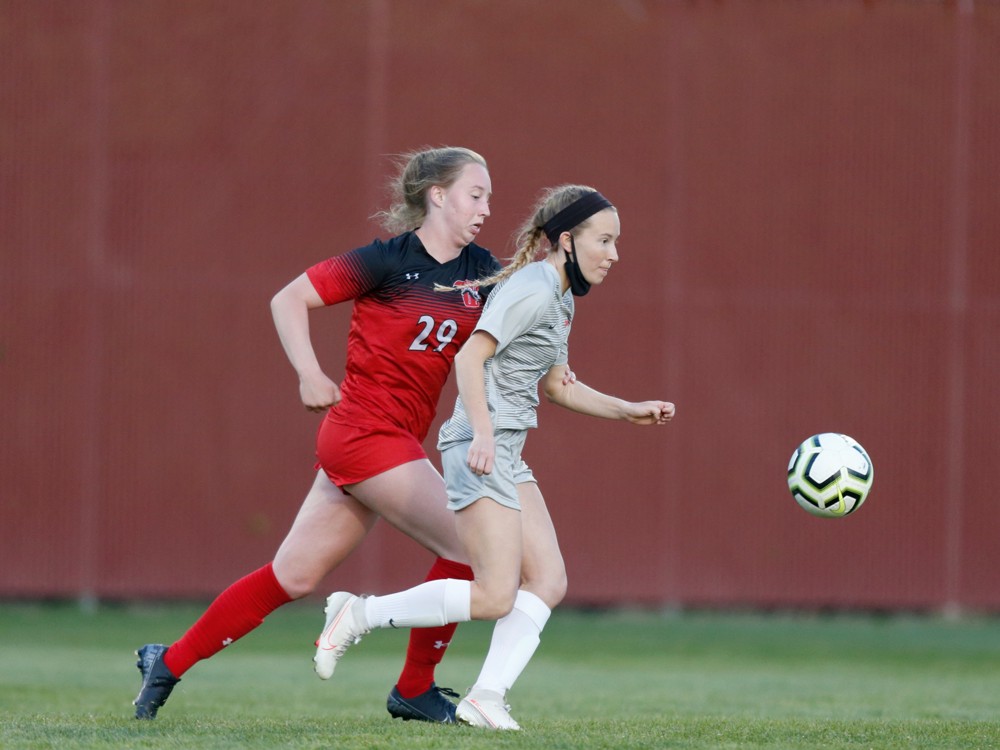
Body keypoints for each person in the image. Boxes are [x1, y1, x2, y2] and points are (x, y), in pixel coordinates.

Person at [133, 146, 508, 723]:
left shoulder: (482, 272)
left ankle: (168, 662)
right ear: (438, 195)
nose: (486, 207)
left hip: (386, 441)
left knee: (294, 576)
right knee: (469, 551)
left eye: (488, 197)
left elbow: (517, 326)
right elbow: (290, 298)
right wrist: (309, 372)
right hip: (365, 434)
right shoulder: (385, 262)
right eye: (475, 194)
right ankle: (413, 689)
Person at [312, 185, 676, 730]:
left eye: (615, 242)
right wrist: (481, 433)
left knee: (548, 580)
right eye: (604, 240)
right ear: (566, 241)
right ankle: (359, 613)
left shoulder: (559, 296)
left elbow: (558, 386)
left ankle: (485, 697)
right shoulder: (533, 287)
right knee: (493, 595)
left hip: (504, 449)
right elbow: (469, 357)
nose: (613, 254)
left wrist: (627, 409)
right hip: (479, 448)